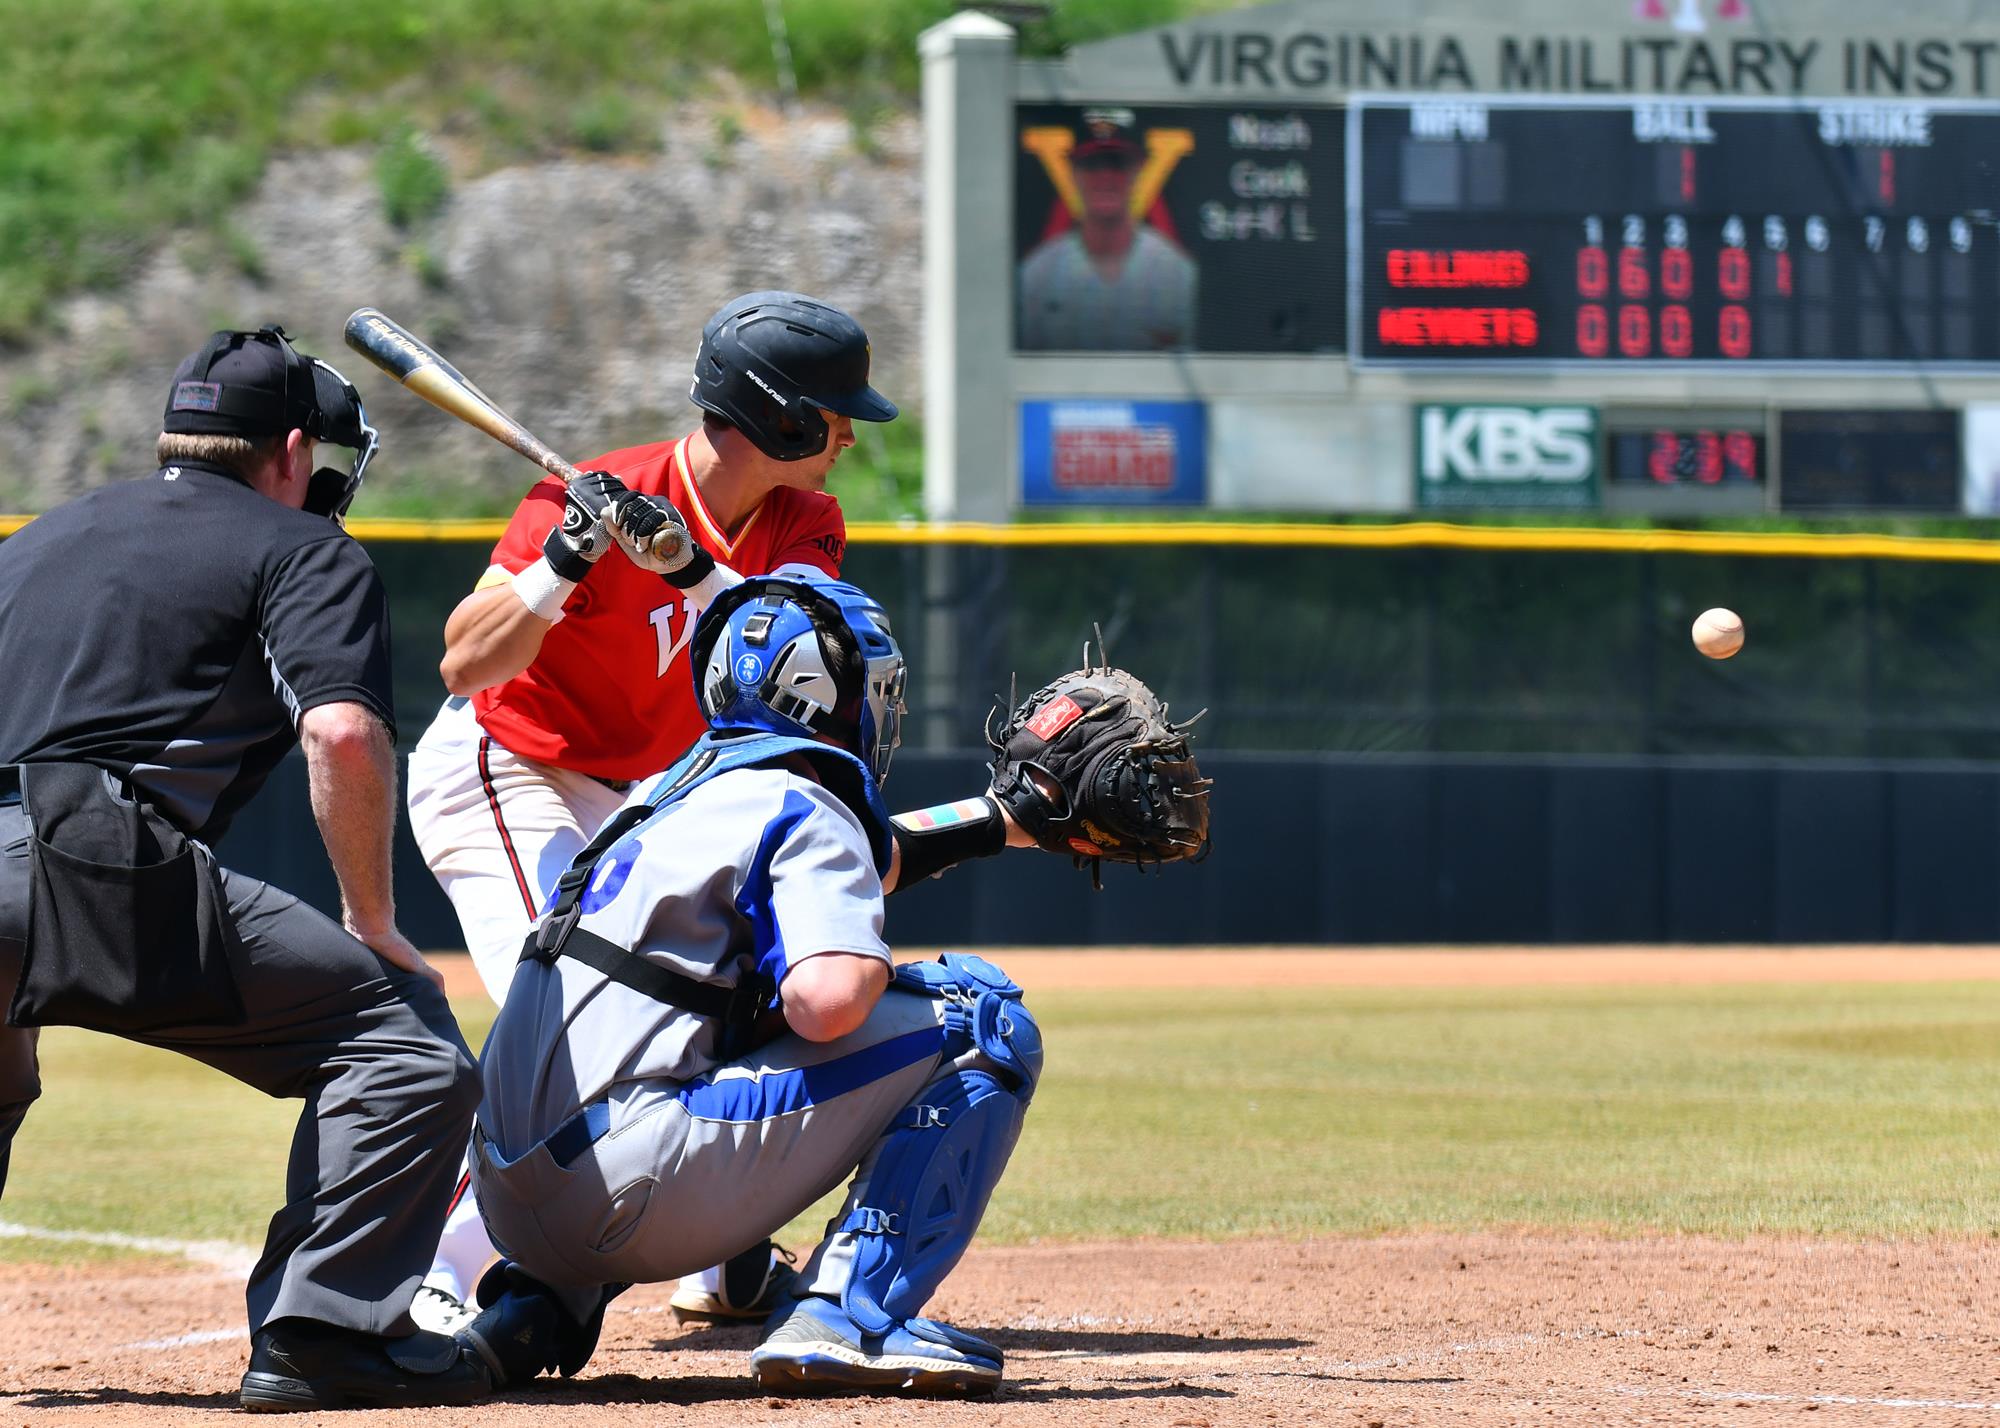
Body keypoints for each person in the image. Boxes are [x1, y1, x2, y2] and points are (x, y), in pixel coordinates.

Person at [0, 328, 489, 1411]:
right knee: (404, 1045)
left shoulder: (34, 540)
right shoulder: (300, 547)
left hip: (25, 855)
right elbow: (344, 737)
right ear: (293, 451)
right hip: (91, 859)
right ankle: (325, 1334)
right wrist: (373, 918)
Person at [404, 291, 898, 1331]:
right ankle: (434, 1271)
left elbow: (787, 646)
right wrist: (565, 562)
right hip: (509, 768)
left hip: (648, 797)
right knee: (569, 1018)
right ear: (777, 416)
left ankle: (721, 1254)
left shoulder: (804, 518)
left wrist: (686, 563)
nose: (848, 432)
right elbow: (463, 660)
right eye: (833, 412)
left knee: (716, 996)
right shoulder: (587, 498)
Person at [455, 574, 1043, 1396]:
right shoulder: (805, 799)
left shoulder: (660, 798)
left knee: (700, 1028)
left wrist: (994, 821)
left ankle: (533, 1313)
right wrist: (883, 966)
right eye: (875, 688)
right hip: (629, 1186)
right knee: (981, 1018)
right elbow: (829, 1000)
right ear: (821, 692)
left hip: (509, 1203)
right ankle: (852, 1315)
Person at [1018, 108, 1197, 351]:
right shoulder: (1038, 274)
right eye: (1092, 165)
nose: (1105, 178)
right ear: (1074, 173)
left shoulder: (1175, 272)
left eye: (1117, 164)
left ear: (1138, 171)